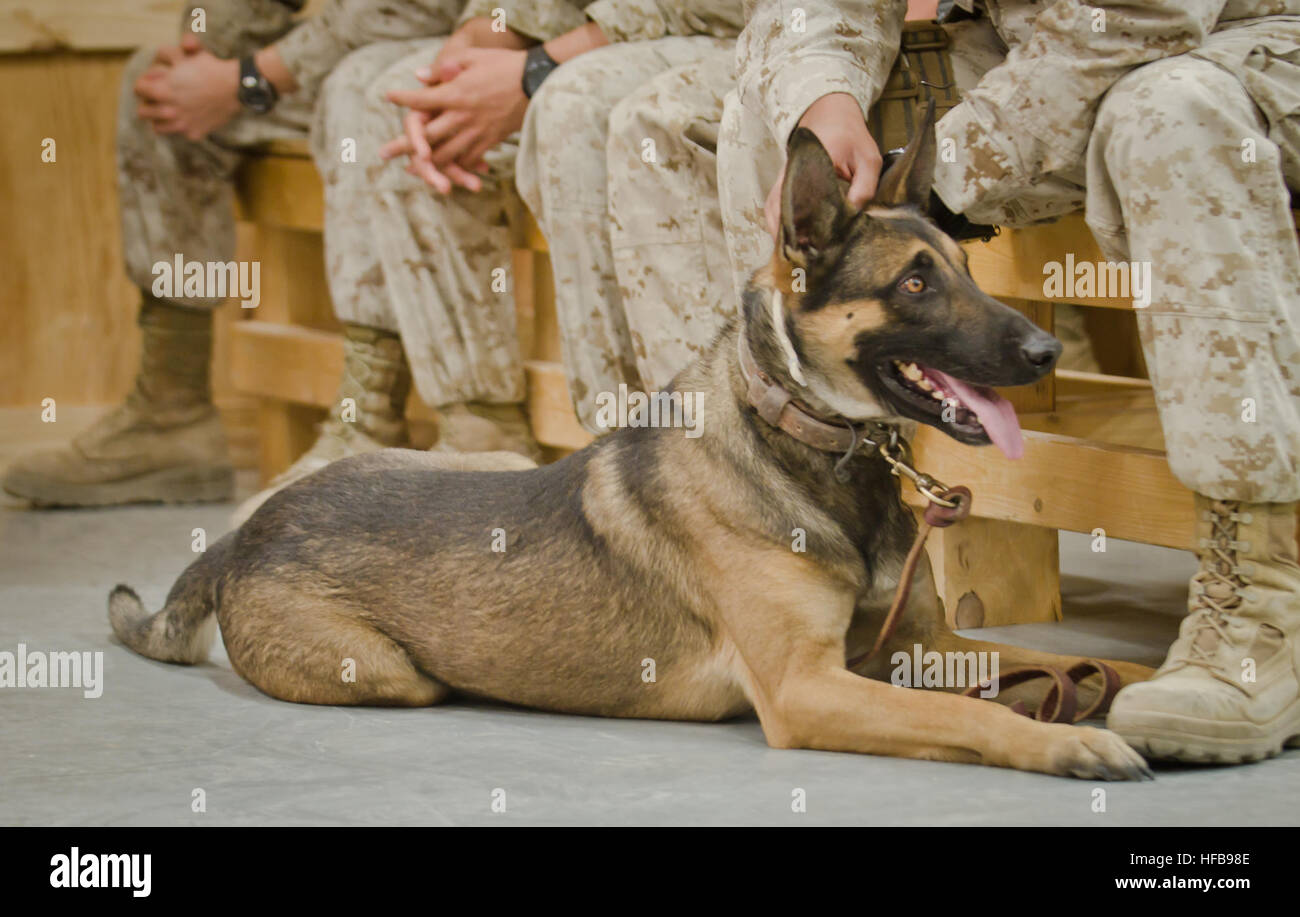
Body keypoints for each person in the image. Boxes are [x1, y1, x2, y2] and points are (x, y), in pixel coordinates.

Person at [715, 0, 1300, 763]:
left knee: (1168, 111)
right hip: (1021, 55)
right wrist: (826, 101)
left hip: (1228, 45)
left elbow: (1140, 20)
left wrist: (919, 194)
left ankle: (1260, 600)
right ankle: (759, 537)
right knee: (775, 118)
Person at [2, 0, 461, 508]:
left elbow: (416, 7)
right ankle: (171, 414)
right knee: (157, 85)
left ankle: (370, 422)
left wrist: (248, 79)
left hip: (474, 49)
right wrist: (210, 51)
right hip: (361, 45)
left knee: (359, 86)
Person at [376, 0, 744, 432]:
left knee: (572, 104)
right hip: (615, 34)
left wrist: (537, 67)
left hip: (762, 31)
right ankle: (480, 430)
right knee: (407, 95)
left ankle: (670, 443)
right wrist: (460, 57)